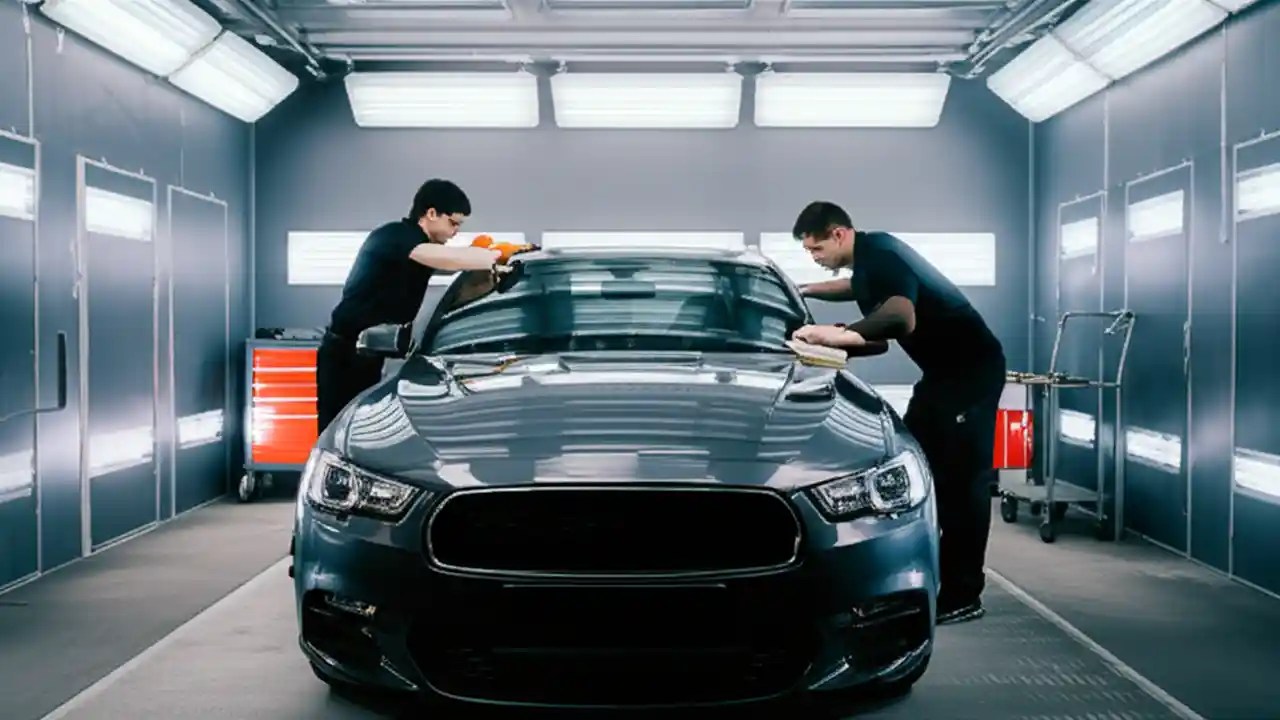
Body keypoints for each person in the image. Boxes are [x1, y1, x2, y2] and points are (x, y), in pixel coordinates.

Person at [788, 201, 1006, 625]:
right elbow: (858, 289)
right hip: (941, 376)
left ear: (838, 234)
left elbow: (900, 319)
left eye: (816, 250)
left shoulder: (883, 255)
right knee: (918, 465)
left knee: (963, 483)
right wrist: (807, 290)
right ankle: (924, 571)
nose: (815, 258)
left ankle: (964, 594)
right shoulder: (870, 259)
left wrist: (838, 333)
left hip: (971, 374)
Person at [316, 179, 505, 433]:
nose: (455, 232)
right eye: (453, 223)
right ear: (431, 213)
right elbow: (453, 260)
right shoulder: (396, 236)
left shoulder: (422, 249)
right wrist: (497, 254)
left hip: (373, 352)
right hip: (345, 354)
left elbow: (462, 275)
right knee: (339, 432)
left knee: (368, 431)